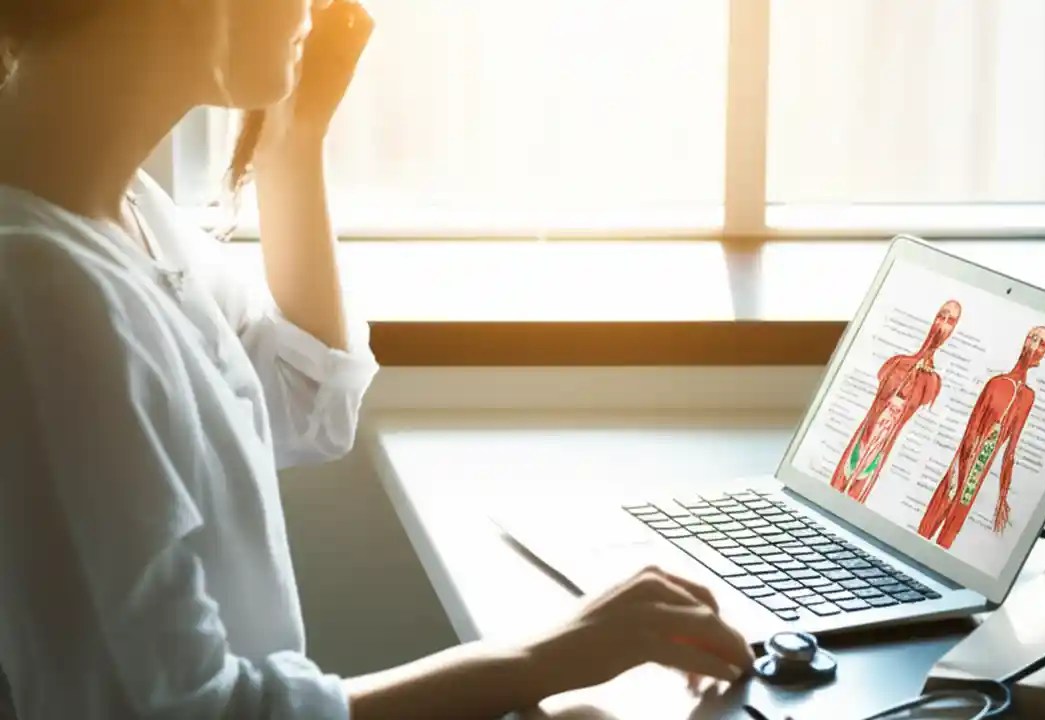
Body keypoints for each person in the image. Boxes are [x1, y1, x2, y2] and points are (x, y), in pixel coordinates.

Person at [0, 2, 754, 719]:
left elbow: (304, 403)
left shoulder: (123, 210)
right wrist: (544, 654)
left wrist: (292, 142)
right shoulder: (39, 291)